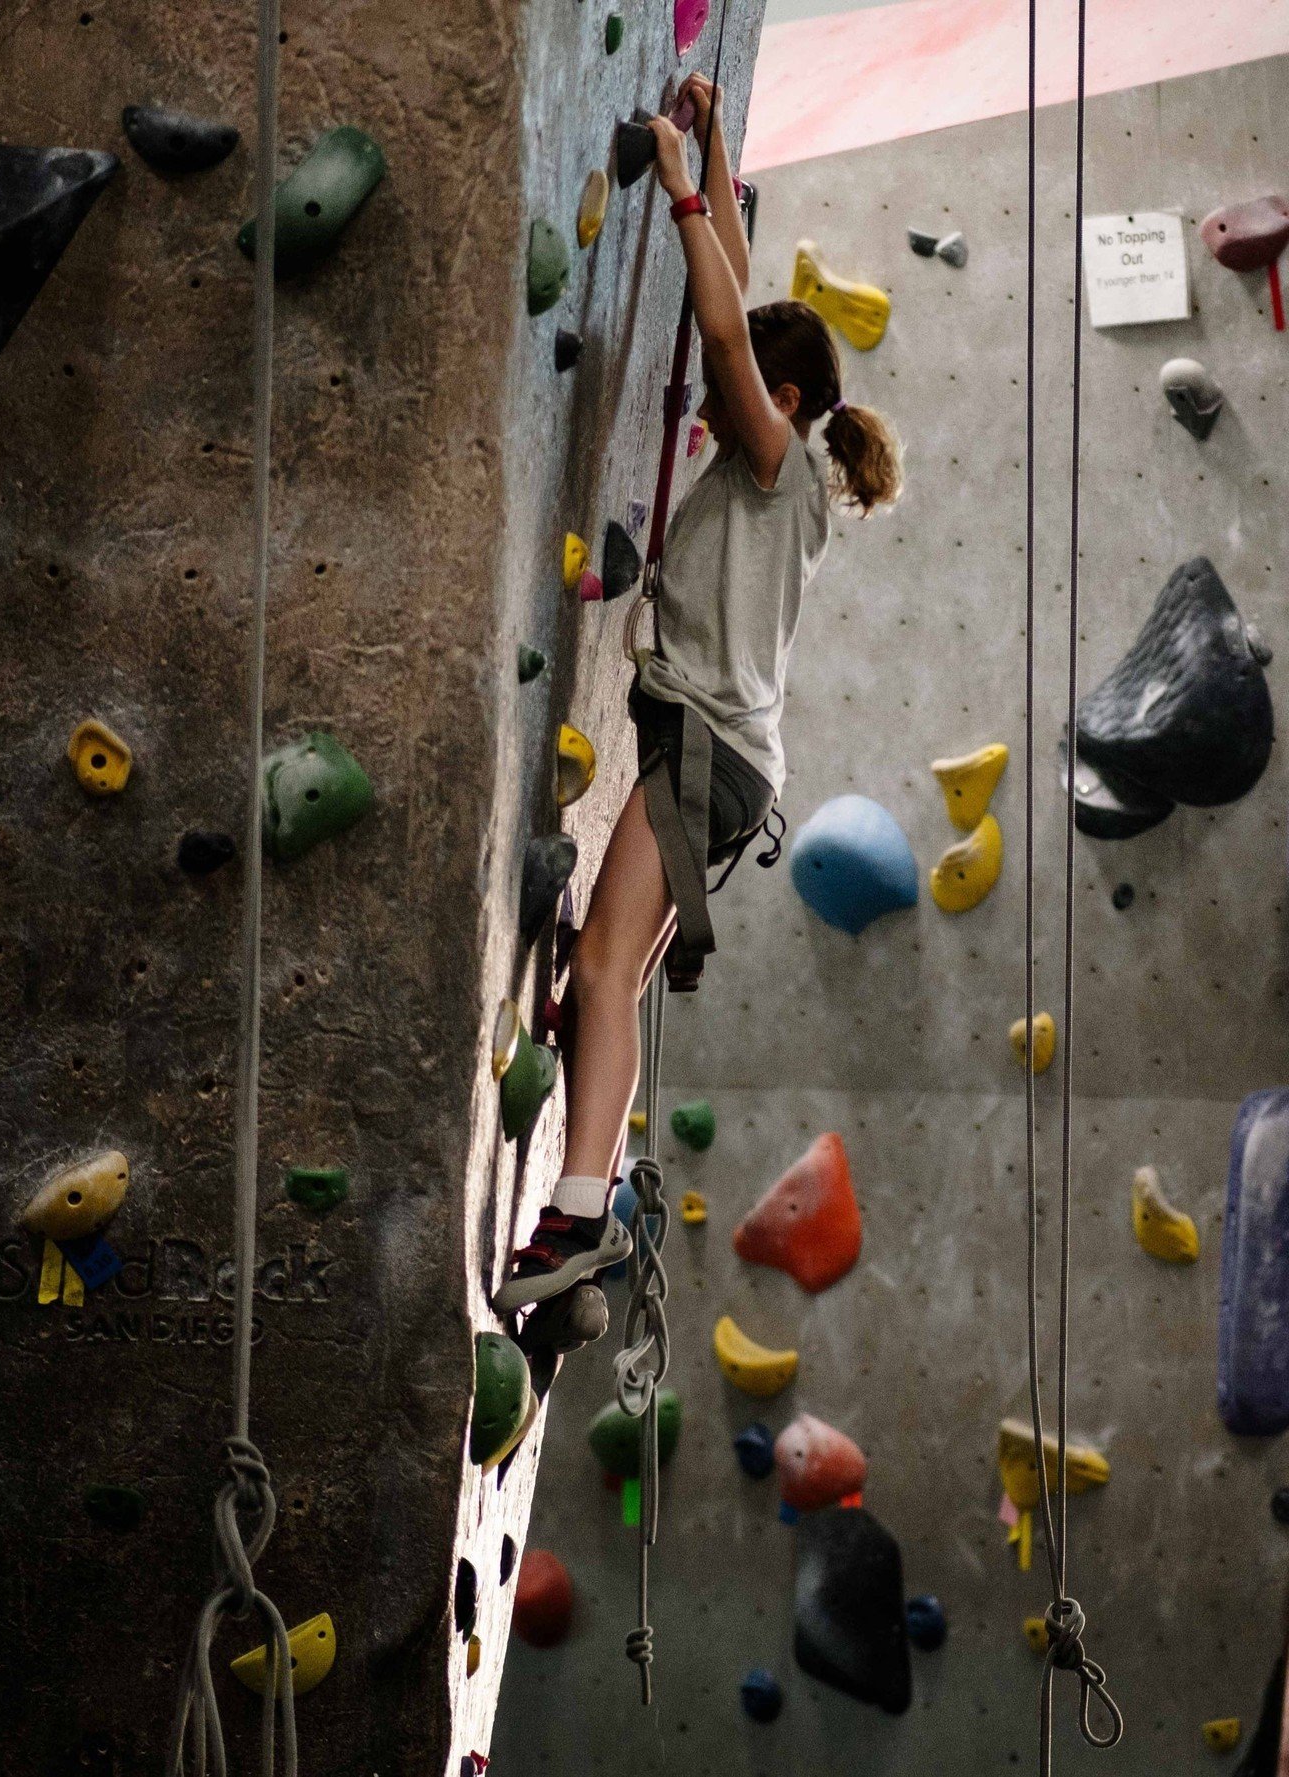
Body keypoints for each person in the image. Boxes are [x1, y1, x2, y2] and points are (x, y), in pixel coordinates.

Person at [493, 73, 902, 1320]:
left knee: (605, 971)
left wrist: (674, 183)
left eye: (742, 400)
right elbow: (740, 301)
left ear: (777, 408)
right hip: (718, 756)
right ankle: (586, 1203)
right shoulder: (784, 457)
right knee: (598, 975)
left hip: (706, 753)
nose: (720, 409)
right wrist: (716, 151)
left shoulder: (779, 470)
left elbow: (729, 337)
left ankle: (574, 1219)